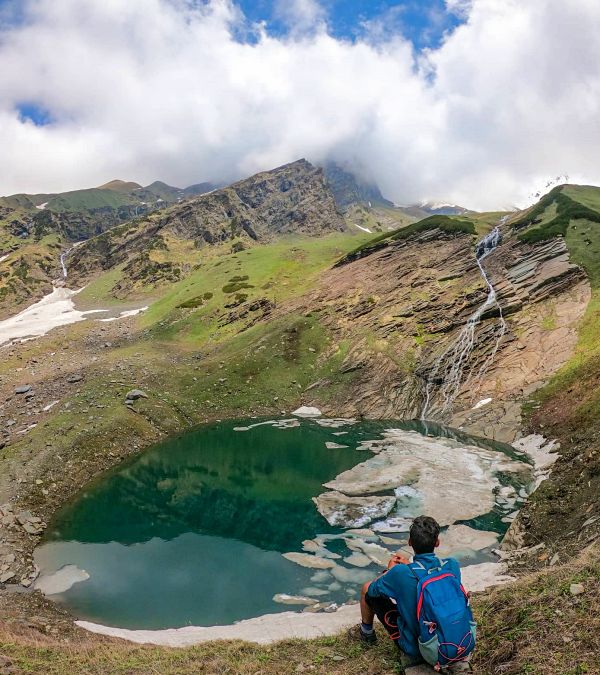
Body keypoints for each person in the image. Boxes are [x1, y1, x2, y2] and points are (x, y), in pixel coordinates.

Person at [349, 515, 472, 672]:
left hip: (418, 648)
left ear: (410, 542)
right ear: (437, 542)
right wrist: (412, 567)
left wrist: (389, 571)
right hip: (454, 640)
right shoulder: (452, 565)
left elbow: (374, 589)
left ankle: (366, 634)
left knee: (367, 588)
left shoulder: (400, 573)